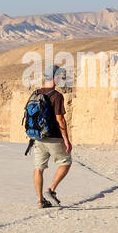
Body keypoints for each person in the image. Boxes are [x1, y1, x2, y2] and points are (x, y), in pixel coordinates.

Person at [27, 66, 72, 208]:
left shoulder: (35, 93)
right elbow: (61, 120)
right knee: (65, 162)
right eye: (59, 76)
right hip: (53, 137)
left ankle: (40, 200)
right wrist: (66, 139)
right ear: (54, 78)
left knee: (38, 168)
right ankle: (51, 190)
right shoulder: (57, 96)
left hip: (37, 137)